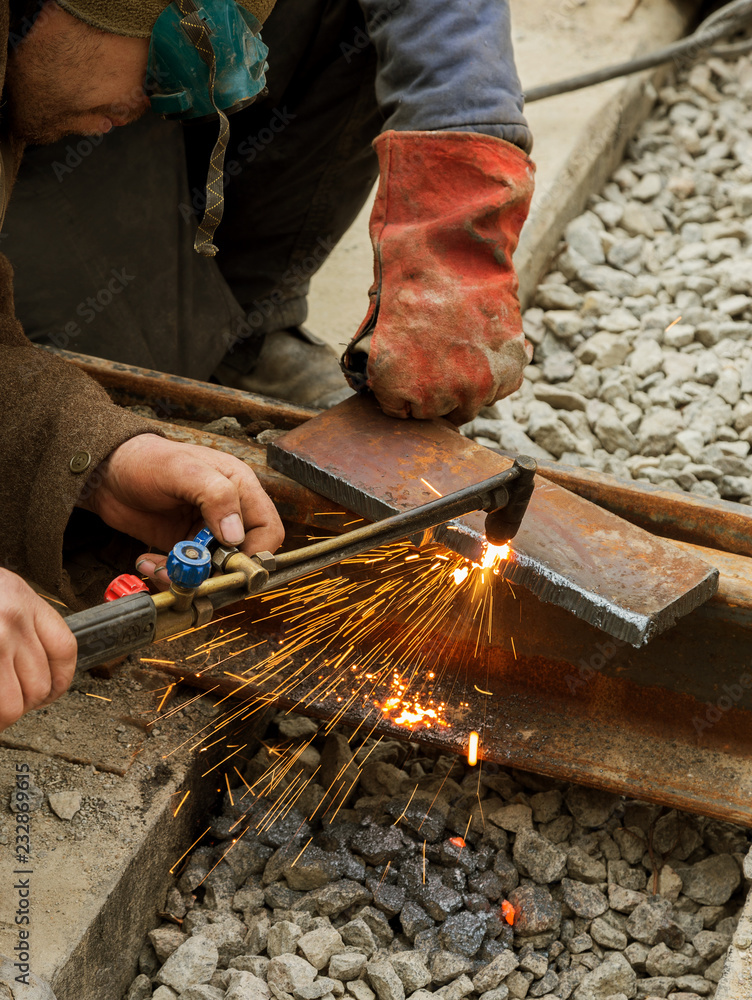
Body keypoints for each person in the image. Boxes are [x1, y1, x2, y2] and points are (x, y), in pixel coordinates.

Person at [4, 0, 536, 423]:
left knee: (369, 14)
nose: (192, 90)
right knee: (107, 407)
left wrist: (457, 206)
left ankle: (243, 330)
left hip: (82, 70)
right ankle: (172, 353)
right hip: (42, 130)